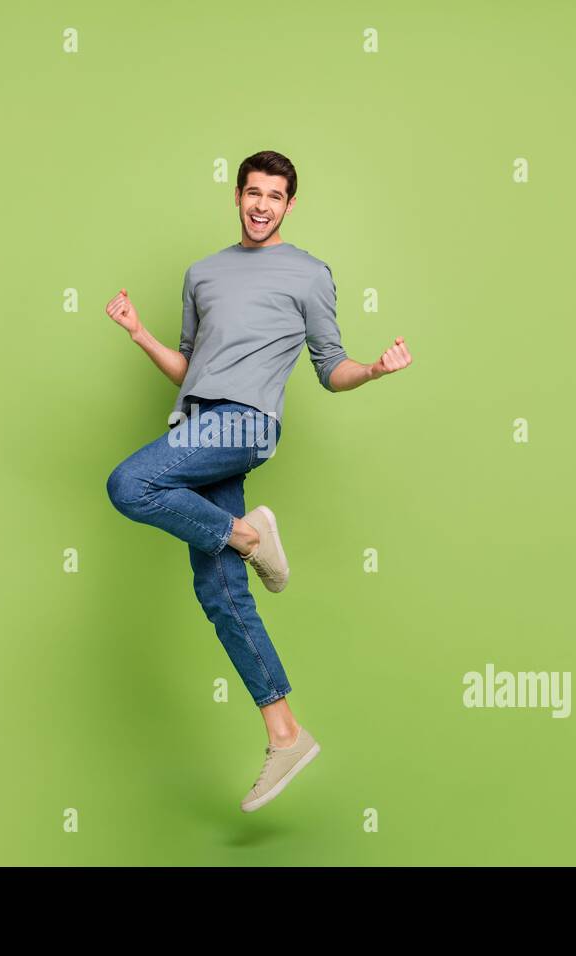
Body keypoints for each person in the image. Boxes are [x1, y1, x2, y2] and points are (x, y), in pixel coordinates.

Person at [104, 150, 413, 812]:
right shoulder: (203, 274)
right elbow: (191, 370)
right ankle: (286, 733)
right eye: (252, 192)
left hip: (245, 427)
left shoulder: (307, 274)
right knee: (218, 592)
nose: (262, 203)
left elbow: (330, 367)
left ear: (290, 204)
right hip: (196, 423)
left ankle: (246, 534)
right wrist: (139, 334)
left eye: (275, 195)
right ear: (236, 195)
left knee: (130, 485)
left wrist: (376, 370)